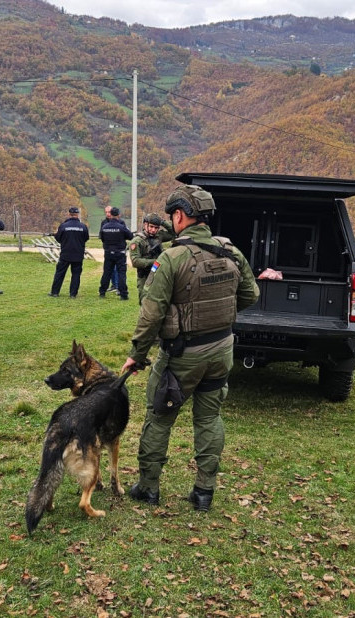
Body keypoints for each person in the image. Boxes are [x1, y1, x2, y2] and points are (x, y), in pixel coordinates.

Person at [121, 185, 259, 512]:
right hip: (222, 349)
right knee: (209, 419)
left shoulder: (172, 258)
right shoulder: (230, 251)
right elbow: (250, 295)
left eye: (172, 216)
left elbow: (151, 313)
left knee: (159, 416)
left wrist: (136, 355)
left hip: (182, 355)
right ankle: (203, 492)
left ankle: (149, 487)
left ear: (180, 216)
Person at [129, 213, 172, 305]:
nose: (153, 230)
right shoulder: (137, 241)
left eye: (156, 228)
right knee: (145, 303)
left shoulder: (159, 236)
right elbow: (135, 261)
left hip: (159, 275)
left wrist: (162, 222)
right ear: (145, 225)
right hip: (145, 276)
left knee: (161, 302)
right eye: (151, 227)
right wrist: (156, 261)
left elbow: (173, 232)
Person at [49, 207, 90, 297]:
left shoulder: (63, 226)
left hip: (65, 253)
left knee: (60, 273)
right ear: (78, 214)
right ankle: (73, 294)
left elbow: (58, 238)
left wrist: (65, 242)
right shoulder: (83, 226)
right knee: (76, 275)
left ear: (69, 214)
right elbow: (86, 238)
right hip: (78, 254)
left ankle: (55, 292)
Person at [98, 207, 133, 301]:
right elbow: (130, 236)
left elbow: (102, 238)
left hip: (108, 252)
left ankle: (102, 291)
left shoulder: (105, 227)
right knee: (121, 273)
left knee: (107, 272)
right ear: (118, 215)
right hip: (120, 253)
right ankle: (123, 294)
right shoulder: (121, 227)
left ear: (111, 214)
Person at [99, 206, 121, 293]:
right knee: (109, 268)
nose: (108, 214)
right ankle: (113, 284)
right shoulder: (103, 223)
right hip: (107, 248)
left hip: (118, 249)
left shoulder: (120, 222)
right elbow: (101, 236)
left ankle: (118, 285)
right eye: (106, 212)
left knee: (117, 268)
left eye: (109, 212)